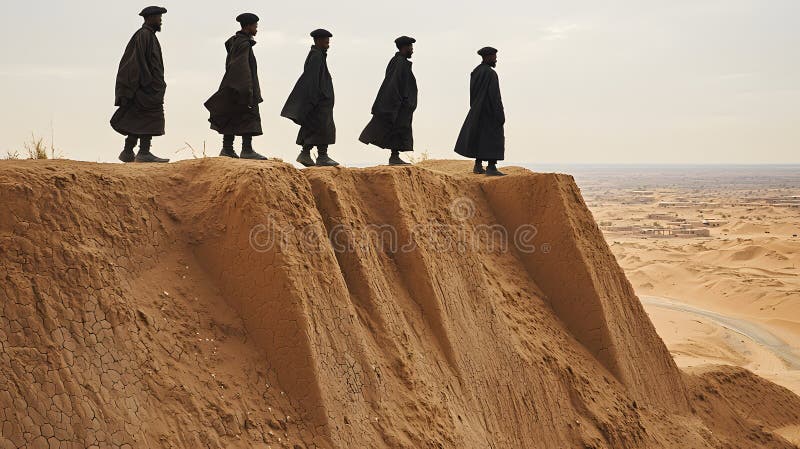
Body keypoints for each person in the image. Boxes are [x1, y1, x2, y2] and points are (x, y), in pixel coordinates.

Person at [111, 6, 170, 163]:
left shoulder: (148, 35)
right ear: (150, 18)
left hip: (148, 88)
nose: (161, 20)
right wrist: (146, 83)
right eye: (158, 17)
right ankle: (144, 152)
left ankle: (128, 151)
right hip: (145, 88)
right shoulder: (144, 35)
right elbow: (135, 62)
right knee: (148, 118)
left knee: (138, 119)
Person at [204, 13, 267, 160]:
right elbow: (241, 67)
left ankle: (227, 149)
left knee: (232, 115)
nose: (257, 29)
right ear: (248, 26)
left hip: (233, 86)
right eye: (255, 26)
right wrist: (247, 90)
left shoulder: (237, 42)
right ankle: (247, 150)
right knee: (248, 116)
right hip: (242, 87)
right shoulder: (243, 44)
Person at [280, 29, 339, 167]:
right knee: (322, 127)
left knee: (315, 127)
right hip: (318, 102)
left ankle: (306, 154)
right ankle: (322, 156)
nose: (328, 44)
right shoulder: (316, 56)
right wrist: (317, 99)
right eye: (325, 41)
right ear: (318, 41)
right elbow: (312, 80)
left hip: (320, 101)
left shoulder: (318, 55)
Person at [358, 36, 418, 166]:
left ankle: (395, 156)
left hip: (401, 105)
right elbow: (393, 84)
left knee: (398, 130)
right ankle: (394, 157)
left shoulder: (401, 62)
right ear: (404, 48)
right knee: (395, 129)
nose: (412, 50)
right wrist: (397, 104)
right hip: (397, 105)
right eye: (410, 47)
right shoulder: (399, 63)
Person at [453, 46, 506, 176]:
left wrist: (475, 108)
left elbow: (472, 93)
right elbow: (495, 96)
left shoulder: (476, 72)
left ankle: (478, 165)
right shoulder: (491, 73)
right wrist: (500, 113)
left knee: (480, 137)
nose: (496, 60)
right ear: (488, 57)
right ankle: (491, 167)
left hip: (477, 110)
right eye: (494, 57)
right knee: (494, 137)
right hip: (490, 111)